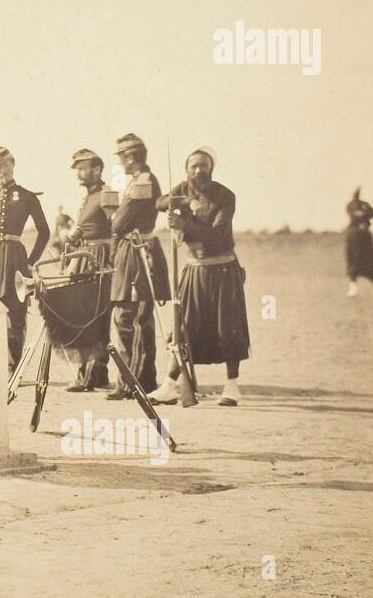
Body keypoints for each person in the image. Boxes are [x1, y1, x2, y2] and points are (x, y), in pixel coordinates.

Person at [149, 147, 250, 407]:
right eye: (193, 166)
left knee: (228, 327)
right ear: (186, 169)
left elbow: (217, 233)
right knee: (183, 325)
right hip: (194, 269)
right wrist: (177, 203)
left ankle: (232, 386)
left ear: (211, 168)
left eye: (202, 165)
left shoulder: (225, 196)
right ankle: (170, 384)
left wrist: (185, 225)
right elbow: (159, 203)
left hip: (223, 269)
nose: (197, 170)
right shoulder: (183, 189)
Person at [0, 146, 50, 372]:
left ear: (13, 163)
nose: (1, 170)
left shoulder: (27, 197)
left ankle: (13, 367)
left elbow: (44, 232)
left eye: (4, 165)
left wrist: (30, 262)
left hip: (15, 258)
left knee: (15, 312)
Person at [107, 133, 170, 398]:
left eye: (122, 157)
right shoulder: (138, 180)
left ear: (130, 157)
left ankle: (136, 381)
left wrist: (115, 221)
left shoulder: (143, 181)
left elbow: (119, 222)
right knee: (128, 317)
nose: (121, 162)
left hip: (138, 253)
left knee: (132, 318)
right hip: (131, 252)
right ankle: (134, 380)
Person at [64, 148, 113, 392]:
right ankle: (86, 373)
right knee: (81, 315)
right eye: (77, 169)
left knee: (98, 315)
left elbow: (117, 228)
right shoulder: (87, 197)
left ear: (97, 169)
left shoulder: (107, 194)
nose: (79, 173)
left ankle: (96, 374)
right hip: (83, 258)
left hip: (100, 260)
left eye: (83, 168)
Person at [345, 188, 373, 296]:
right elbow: (354, 215)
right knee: (353, 259)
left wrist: (364, 212)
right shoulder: (350, 204)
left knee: (369, 259)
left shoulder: (365, 204)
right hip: (354, 234)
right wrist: (364, 213)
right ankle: (353, 288)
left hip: (364, 235)